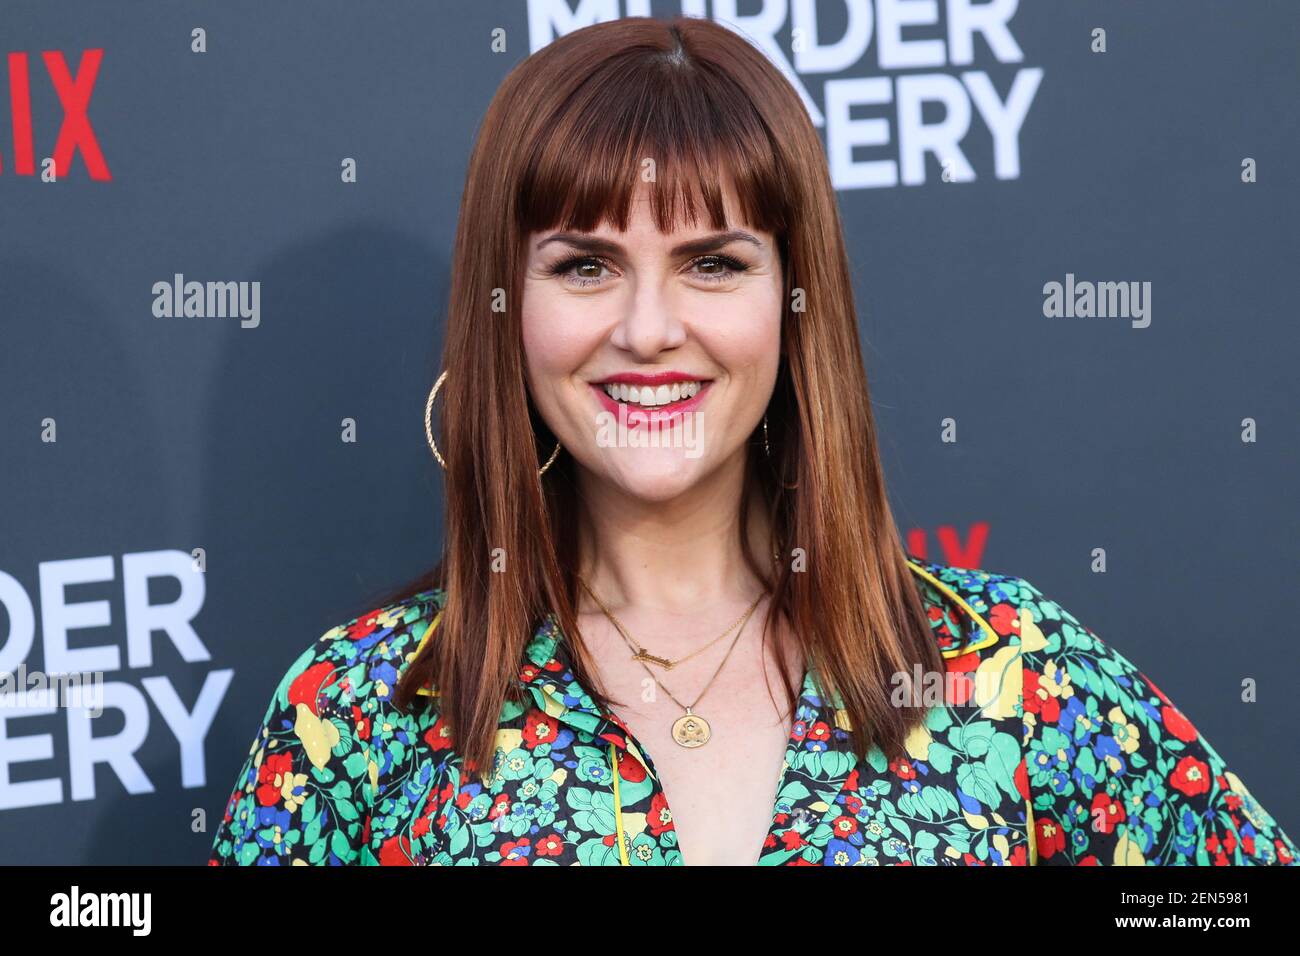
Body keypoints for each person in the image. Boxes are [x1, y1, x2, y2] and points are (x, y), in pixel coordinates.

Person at [208, 16, 1296, 866]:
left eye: (713, 263)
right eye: (584, 264)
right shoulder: (355, 718)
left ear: (793, 299)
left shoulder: (1009, 673)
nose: (646, 330)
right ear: (505, 305)